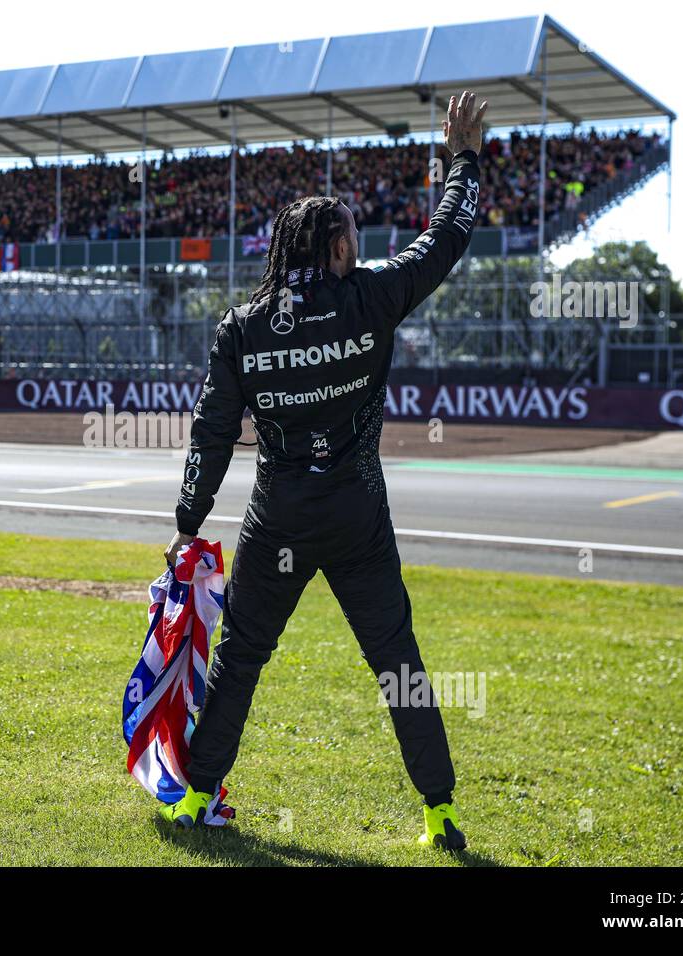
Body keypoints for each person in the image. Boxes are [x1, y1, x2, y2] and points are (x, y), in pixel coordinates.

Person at [159, 91, 488, 852]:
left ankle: (197, 796)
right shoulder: (372, 297)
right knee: (397, 663)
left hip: (277, 520)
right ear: (333, 251)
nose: (358, 244)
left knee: (241, 659)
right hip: (356, 520)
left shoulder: (242, 328)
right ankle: (439, 810)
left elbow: (211, 434)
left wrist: (187, 524)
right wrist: (461, 160)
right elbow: (447, 238)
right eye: (350, 237)